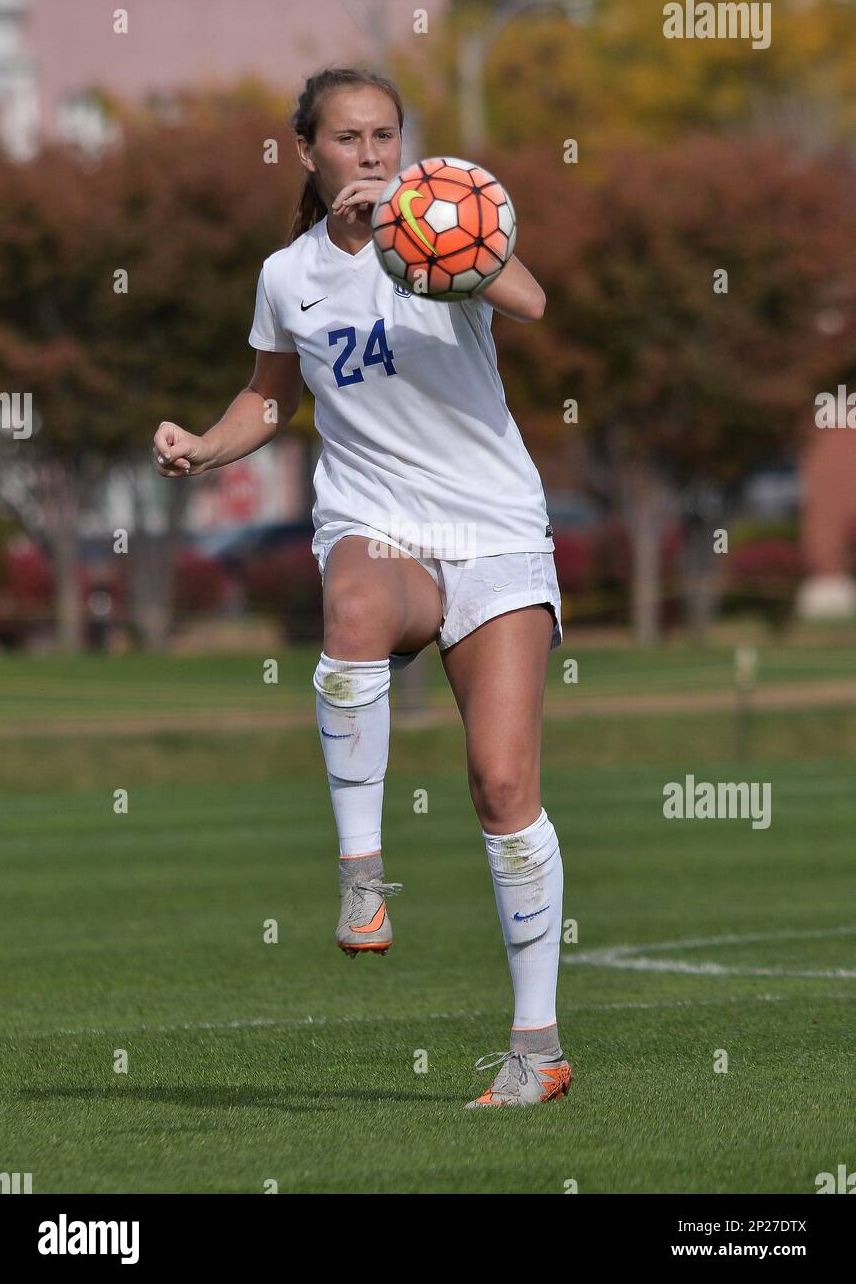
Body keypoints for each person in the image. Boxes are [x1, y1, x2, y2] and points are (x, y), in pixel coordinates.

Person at [152, 66, 572, 1109]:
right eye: (349, 138)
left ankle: (537, 1048)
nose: (373, 152)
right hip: (375, 523)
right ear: (308, 152)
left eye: (385, 133)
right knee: (350, 608)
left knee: (503, 788)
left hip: (493, 529)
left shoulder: (437, 216)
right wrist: (204, 448)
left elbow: (530, 297)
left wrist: (418, 234)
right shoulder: (287, 274)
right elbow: (269, 396)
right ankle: (362, 877)